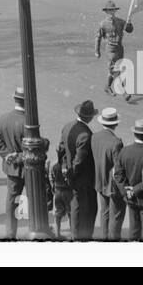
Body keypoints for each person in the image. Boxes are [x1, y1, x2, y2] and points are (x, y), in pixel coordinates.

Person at [56, 100, 98, 241]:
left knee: (75, 206)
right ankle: (82, 236)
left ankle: (75, 233)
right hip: (82, 179)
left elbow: (61, 150)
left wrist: (64, 168)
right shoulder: (86, 135)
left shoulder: (67, 127)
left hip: (70, 174)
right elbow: (79, 161)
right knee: (86, 209)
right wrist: (72, 174)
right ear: (89, 117)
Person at [0, 86, 29, 240]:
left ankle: (10, 233)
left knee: (11, 200)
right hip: (28, 168)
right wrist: (19, 156)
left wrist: (7, 155)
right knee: (31, 200)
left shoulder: (3, 118)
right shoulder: (28, 122)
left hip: (11, 169)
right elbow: (33, 148)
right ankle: (33, 228)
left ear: (14, 99)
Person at [113, 119, 143, 241]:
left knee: (134, 229)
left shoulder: (124, 151)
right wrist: (135, 189)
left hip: (131, 198)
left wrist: (126, 191)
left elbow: (118, 175)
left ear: (134, 134)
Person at [91, 107, 125, 241]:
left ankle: (104, 238)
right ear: (115, 123)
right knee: (115, 215)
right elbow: (118, 169)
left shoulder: (94, 137)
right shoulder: (116, 142)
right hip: (112, 185)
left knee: (104, 212)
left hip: (99, 180)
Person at [96, 1, 135, 102]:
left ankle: (107, 87)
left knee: (113, 71)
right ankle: (124, 92)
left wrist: (129, 23)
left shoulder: (120, 21)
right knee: (116, 71)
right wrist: (97, 51)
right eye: (110, 10)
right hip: (110, 49)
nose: (112, 12)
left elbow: (129, 30)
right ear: (106, 11)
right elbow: (98, 37)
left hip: (119, 48)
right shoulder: (103, 24)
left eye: (113, 10)